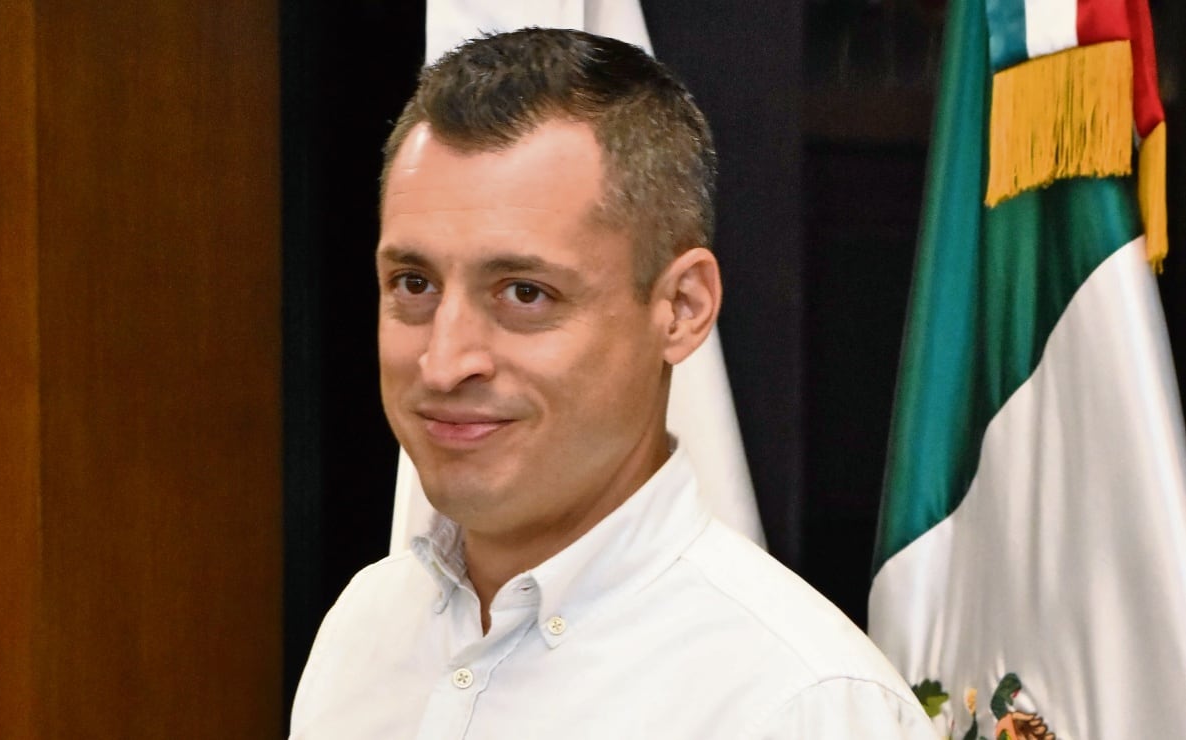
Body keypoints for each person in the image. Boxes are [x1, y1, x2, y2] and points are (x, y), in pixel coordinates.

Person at [290, 28, 936, 739]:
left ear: (681, 308)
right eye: (414, 284)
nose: (444, 363)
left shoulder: (799, 706)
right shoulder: (365, 632)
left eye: (525, 293)